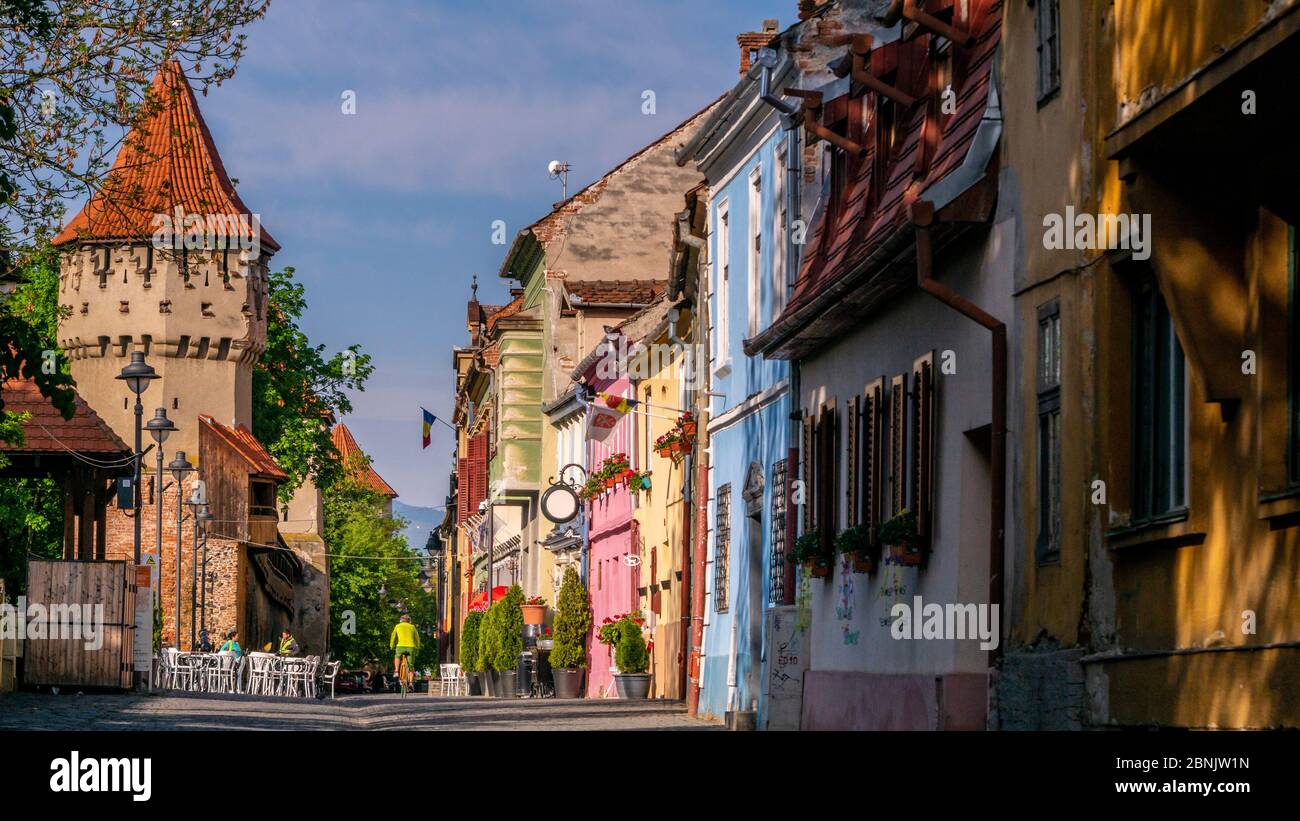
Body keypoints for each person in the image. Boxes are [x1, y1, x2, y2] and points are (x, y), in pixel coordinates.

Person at [389, 614, 420, 683]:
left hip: (400, 646)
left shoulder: (397, 626)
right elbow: (417, 639)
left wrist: (391, 646)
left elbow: (393, 636)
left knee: (397, 656)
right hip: (411, 648)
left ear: (401, 620)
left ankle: (396, 671)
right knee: (411, 666)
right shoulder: (412, 627)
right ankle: (411, 683)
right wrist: (417, 649)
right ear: (409, 621)